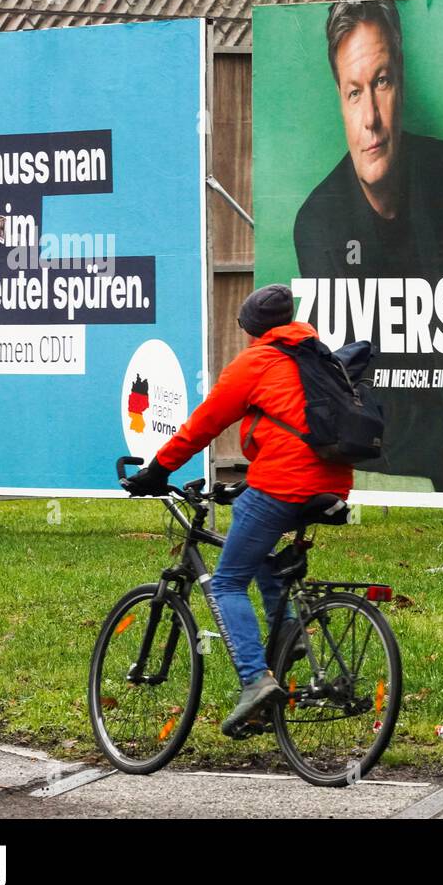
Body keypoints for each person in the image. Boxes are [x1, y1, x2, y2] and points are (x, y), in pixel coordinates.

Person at [293, 0, 443, 493]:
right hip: (382, 479)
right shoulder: (319, 221)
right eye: (354, 93)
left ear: (402, 81)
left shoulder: (436, 165)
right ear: (339, 99)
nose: (371, 118)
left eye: (381, 82)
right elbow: (341, 401)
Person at [123, 284, 353, 735]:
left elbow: (204, 423)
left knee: (227, 582)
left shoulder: (257, 361)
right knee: (261, 539)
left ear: (251, 330)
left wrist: (157, 469)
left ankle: (255, 680)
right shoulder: (316, 356)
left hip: (285, 482)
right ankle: (287, 633)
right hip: (333, 482)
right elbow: (297, 430)